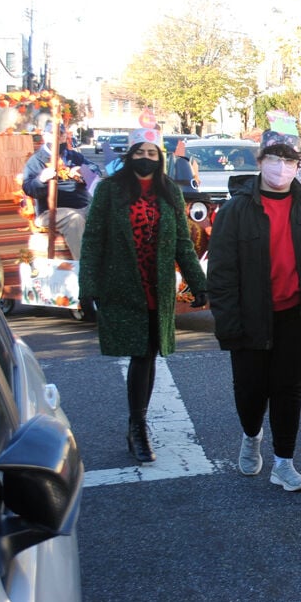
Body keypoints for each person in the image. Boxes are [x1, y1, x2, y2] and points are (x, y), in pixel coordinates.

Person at [207, 128, 301, 492]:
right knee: (250, 389)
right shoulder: (236, 210)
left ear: (298, 166)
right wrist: (228, 322)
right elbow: (220, 271)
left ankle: (284, 462)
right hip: (250, 316)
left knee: (289, 389)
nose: (282, 167)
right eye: (274, 159)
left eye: (289, 161)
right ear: (260, 162)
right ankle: (251, 435)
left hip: (297, 316)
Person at [78, 128, 208, 462]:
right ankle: (137, 425)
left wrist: (198, 282)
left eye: (152, 153)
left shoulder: (169, 191)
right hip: (122, 285)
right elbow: (92, 241)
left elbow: (182, 242)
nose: (146, 158)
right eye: (140, 152)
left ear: (159, 157)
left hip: (158, 284)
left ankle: (138, 422)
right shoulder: (110, 190)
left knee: (149, 353)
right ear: (129, 155)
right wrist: (87, 288)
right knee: (140, 353)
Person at [22, 121, 101, 259]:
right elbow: (28, 188)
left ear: (66, 136)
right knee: (75, 219)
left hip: (83, 206)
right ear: (45, 136)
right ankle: (85, 269)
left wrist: (83, 171)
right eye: (53, 134)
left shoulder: (74, 156)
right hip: (50, 212)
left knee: (108, 212)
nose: (58, 137)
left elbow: (96, 171)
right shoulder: (36, 160)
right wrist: (41, 179)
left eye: (61, 134)